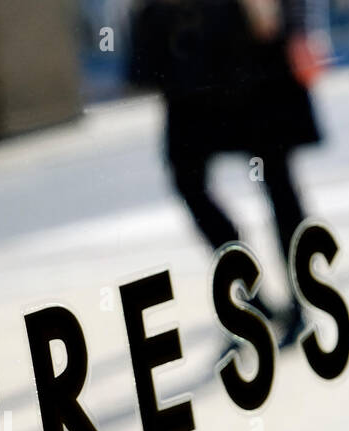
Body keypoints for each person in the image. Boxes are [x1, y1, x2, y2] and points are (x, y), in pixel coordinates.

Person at [129, 0, 326, 346]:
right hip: (188, 41)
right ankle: (253, 293)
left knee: (275, 176)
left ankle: (298, 303)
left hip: (244, 35)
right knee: (190, 179)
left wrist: (295, 26)